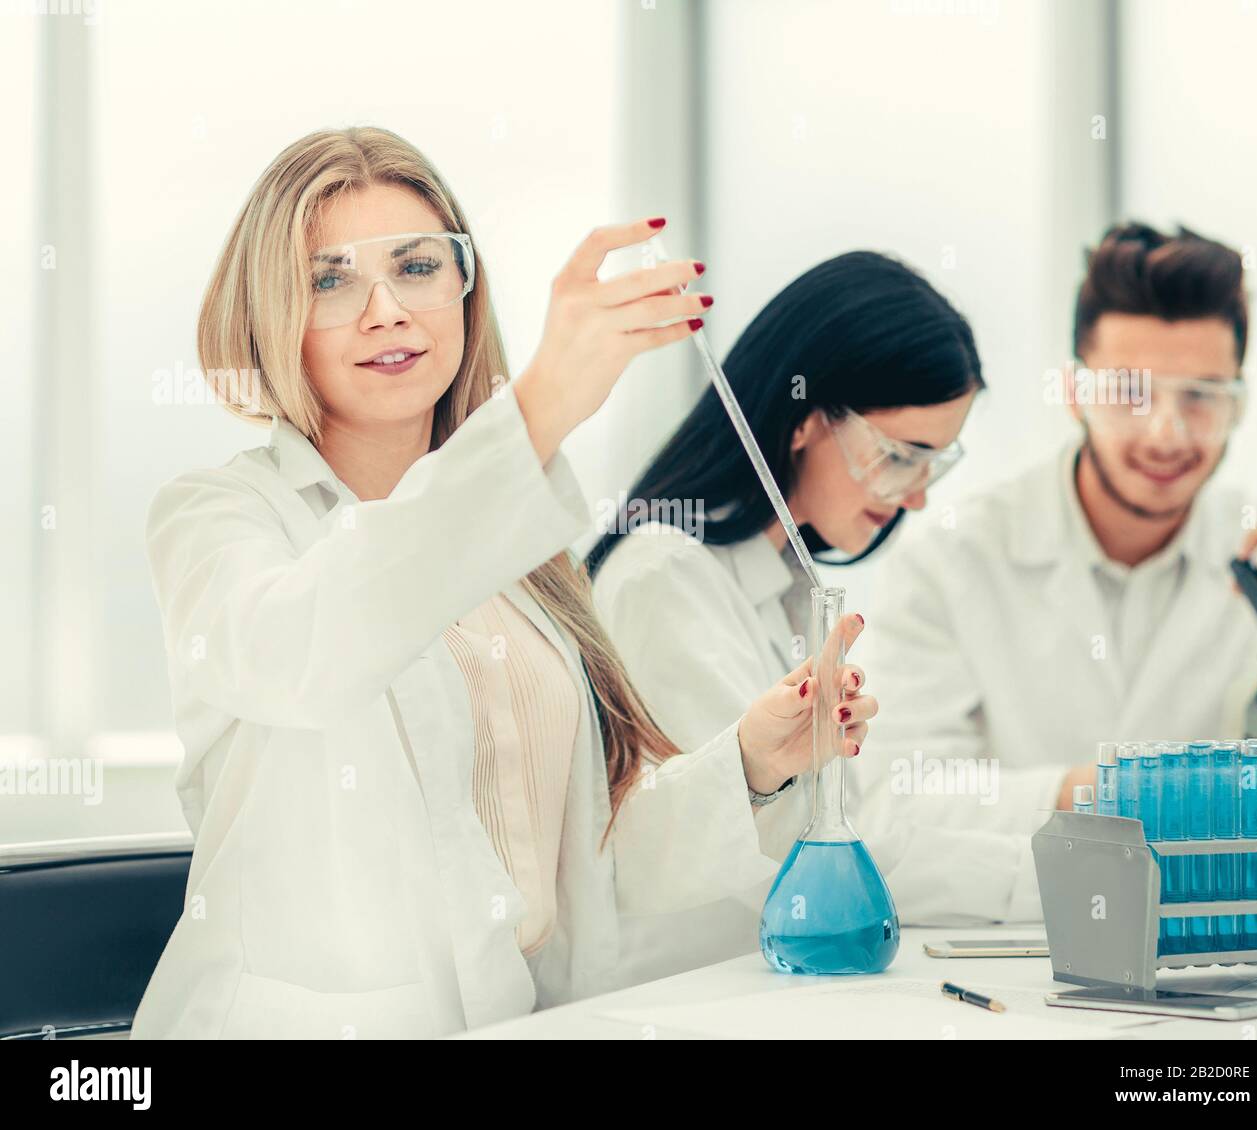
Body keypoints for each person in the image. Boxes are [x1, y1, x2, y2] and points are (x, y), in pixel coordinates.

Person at [130, 126, 875, 1039]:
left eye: (417, 268)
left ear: (465, 289)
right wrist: (539, 408)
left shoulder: (517, 547)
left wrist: (756, 760)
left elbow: (581, 862)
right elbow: (313, 649)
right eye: (331, 279)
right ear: (267, 311)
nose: (387, 311)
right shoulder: (218, 519)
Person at [589, 251, 1030, 977]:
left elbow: (857, 817)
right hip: (676, 1003)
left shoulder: (786, 584)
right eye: (901, 455)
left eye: (934, 464)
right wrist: (1047, 880)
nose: (916, 494)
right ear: (804, 419)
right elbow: (805, 851)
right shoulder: (664, 576)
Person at [858, 221, 1257, 920]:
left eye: (1202, 396)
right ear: (1075, 392)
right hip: (989, 959)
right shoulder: (951, 558)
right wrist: (1112, 795)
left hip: (1214, 963)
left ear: (1237, 403)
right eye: (1131, 392)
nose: (1167, 433)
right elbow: (892, 801)